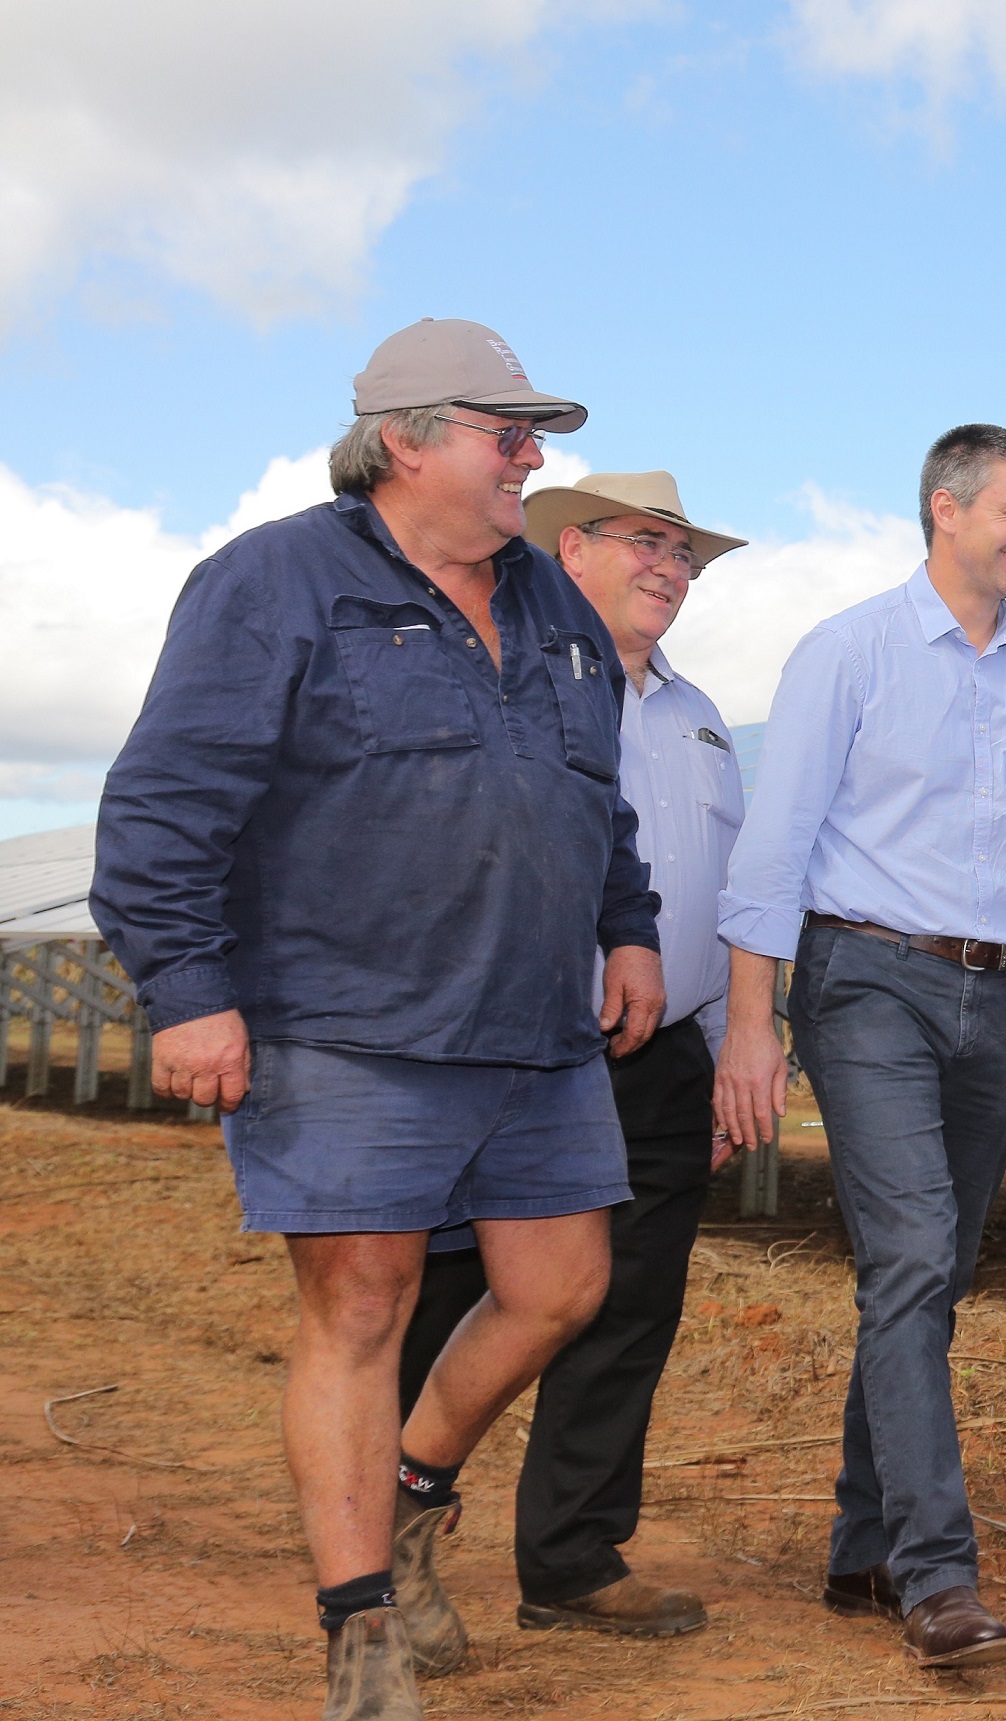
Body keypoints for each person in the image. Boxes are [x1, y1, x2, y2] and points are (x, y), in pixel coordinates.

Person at [90, 319, 664, 1721]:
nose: (534, 457)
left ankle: (409, 1493)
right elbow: (165, 801)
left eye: (534, 433)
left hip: (533, 1026)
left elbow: (599, 795)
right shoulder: (274, 583)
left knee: (560, 1289)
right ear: (405, 440)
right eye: (505, 430)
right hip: (348, 1016)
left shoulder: (553, 604)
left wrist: (629, 925)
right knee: (360, 1305)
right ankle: (360, 1634)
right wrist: (188, 991)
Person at [713, 423, 1006, 1669]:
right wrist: (750, 1022)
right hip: (868, 981)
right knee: (909, 1257)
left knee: (930, 1270)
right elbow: (774, 843)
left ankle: (861, 1545)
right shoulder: (850, 650)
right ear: (944, 509)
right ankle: (937, 1575)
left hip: (999, 999)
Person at [398, 472, 749, 1639]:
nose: (673, 568)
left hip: (663, 1054)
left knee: (629, 1307)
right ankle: (390, 1539)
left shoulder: (702, 715)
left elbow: (721, 892)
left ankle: (572, 1556)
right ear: (574, 545)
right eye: (649, 544)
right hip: (521, 1046)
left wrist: (725, 1042)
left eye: (686, 555)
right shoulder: (517, 674)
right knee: (455, 1290)